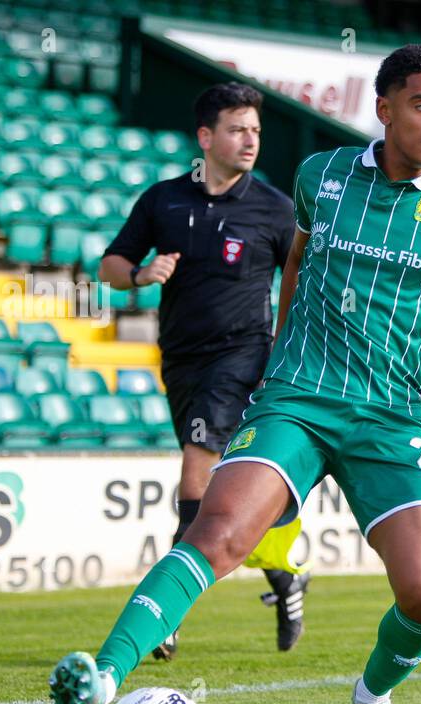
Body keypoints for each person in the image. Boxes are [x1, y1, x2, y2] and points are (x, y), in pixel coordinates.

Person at [49, 44, 421, 704]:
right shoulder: (323, 177)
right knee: (215, 534)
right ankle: (102, 677)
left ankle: (373, 697)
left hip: (390, 417)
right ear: (384, 108)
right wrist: (281, 354)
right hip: (297, 399)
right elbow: (298, 264)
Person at [97, 82, 311, 660]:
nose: (250, 140)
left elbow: (302, 280)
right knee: (223, 494)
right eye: (239, 129)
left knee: (196, 477)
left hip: (243, 356)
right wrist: (140, 275)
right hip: (180, 359)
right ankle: (285, 576)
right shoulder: (163, 200)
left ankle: (164, 616)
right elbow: (109, 266)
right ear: (205, 137)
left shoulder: (274, 208)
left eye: (257, 131)